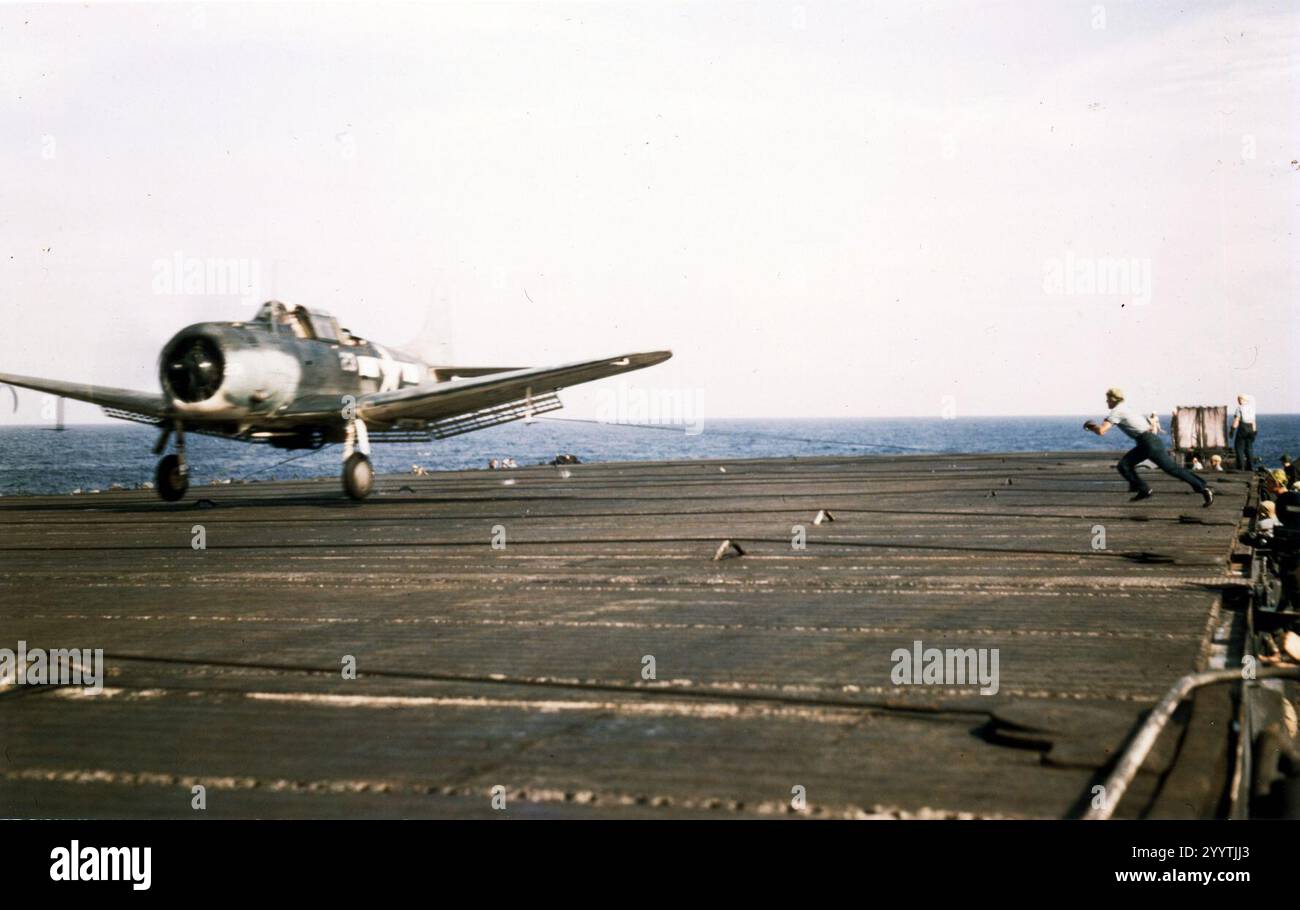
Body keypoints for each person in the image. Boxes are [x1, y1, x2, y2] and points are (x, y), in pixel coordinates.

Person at [1084, 387, 1214, 506]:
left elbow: (1101, 431)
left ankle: (1202, 488)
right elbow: (1150, 426)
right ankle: (1143, 489)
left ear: (1113, 399)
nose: (1107, 403)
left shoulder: (1116, 411)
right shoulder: (1128, 408)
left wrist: (1090, 426)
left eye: (1108, 400)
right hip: (1148, 441)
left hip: (1147, 443)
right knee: (1126, 465)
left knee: (1167, 469)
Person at [1231, 393, 1258, 471]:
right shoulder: (1252, 409)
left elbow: (1237, 420)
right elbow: (1253, 421)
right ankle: (1251, 467)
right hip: (1251, 429)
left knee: (1239, 448)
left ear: (1245, 400)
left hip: (1243, 428)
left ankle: (1241, 467)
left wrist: (1232, 430)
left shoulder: (1239, 408)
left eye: (1240, 399)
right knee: (1249, 448)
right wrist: (1255, 431)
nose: (1239, 401)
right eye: (1238, 399)